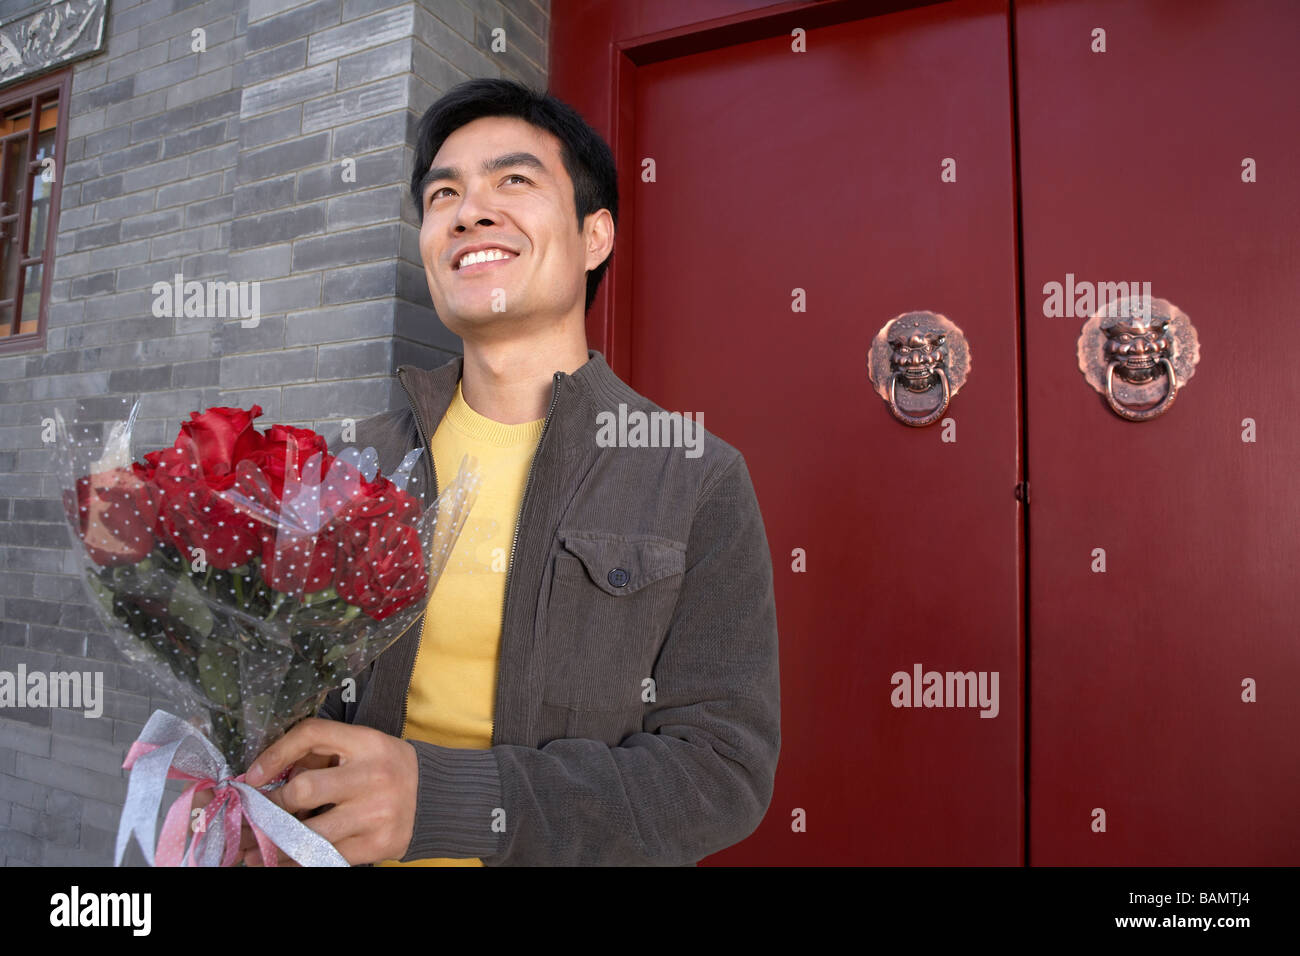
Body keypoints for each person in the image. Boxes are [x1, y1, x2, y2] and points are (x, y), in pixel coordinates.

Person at [240, 78, 780, 866]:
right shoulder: (348, 465)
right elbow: (271, 691)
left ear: (596, 237)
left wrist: (445, 800)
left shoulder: (695, 476)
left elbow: (720, 775)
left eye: (514, 181)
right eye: (443, 194)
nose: (469, 210)